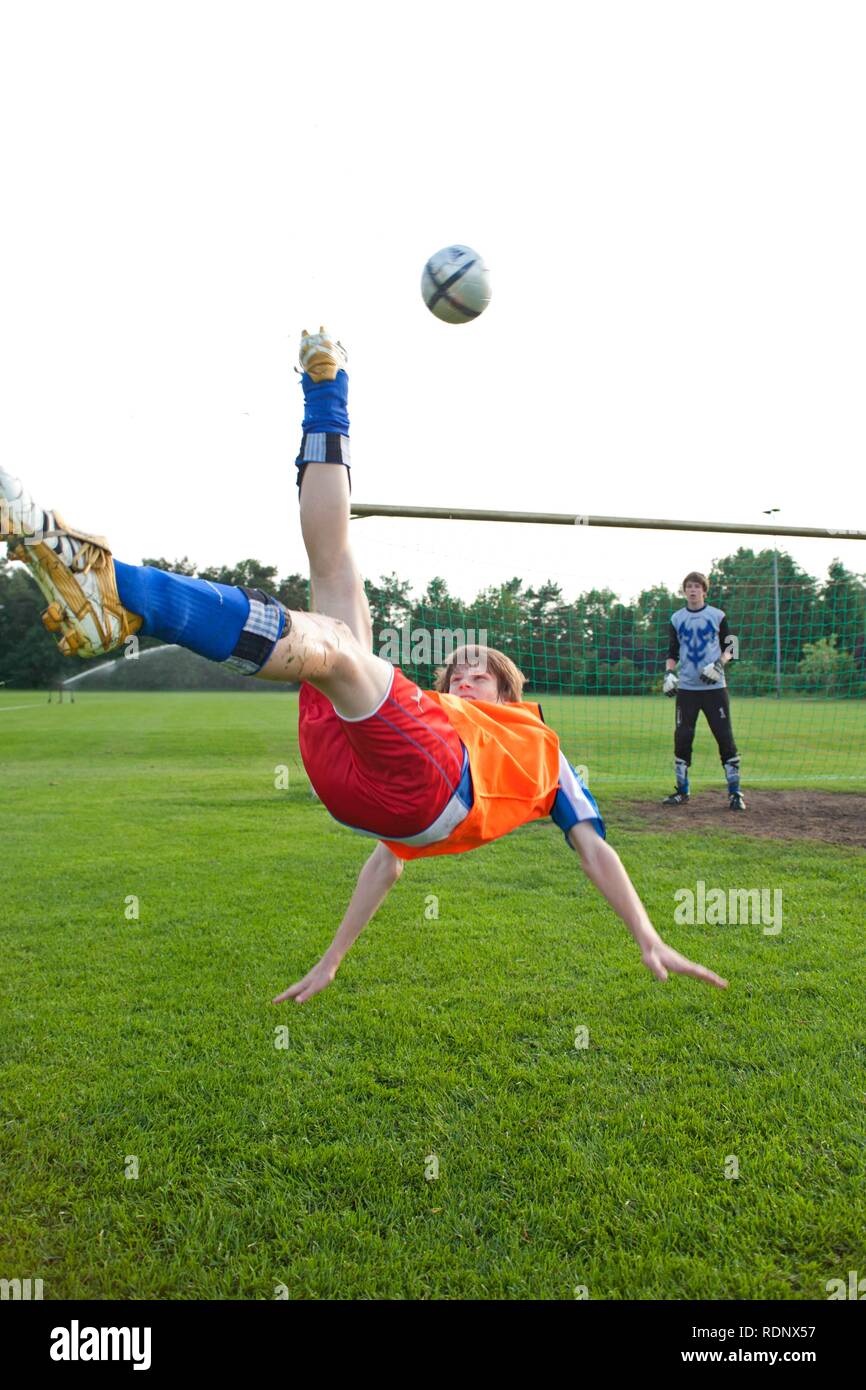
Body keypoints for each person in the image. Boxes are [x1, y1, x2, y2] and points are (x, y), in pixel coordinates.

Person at [1, 329, 728, 1003]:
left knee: (345, 647)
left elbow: (594, 849)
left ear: (509, 693)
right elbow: (386, 865)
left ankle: (121, 591)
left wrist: (646, 934)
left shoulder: (537, 747)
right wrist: (333, 958)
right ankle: (327, 388)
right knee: (337, 573)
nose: (462, 673)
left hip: (437, 784)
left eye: (479, 670)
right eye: (456, 670)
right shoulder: (434, 707)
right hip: (350, 773)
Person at [662, 572, 746, 811]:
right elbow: (672, 653)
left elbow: (732, 647)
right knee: (683, 736)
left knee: (724, 736)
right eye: (688, 586)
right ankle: (682, 791)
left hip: (714, 688)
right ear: (684, 591)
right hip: (687, 689)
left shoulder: (717, 615)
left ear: (704, 591)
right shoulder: (676, 618)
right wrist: (669, 673)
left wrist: (718, 665)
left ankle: (734, 793)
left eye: (697, 586)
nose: (692, 590)